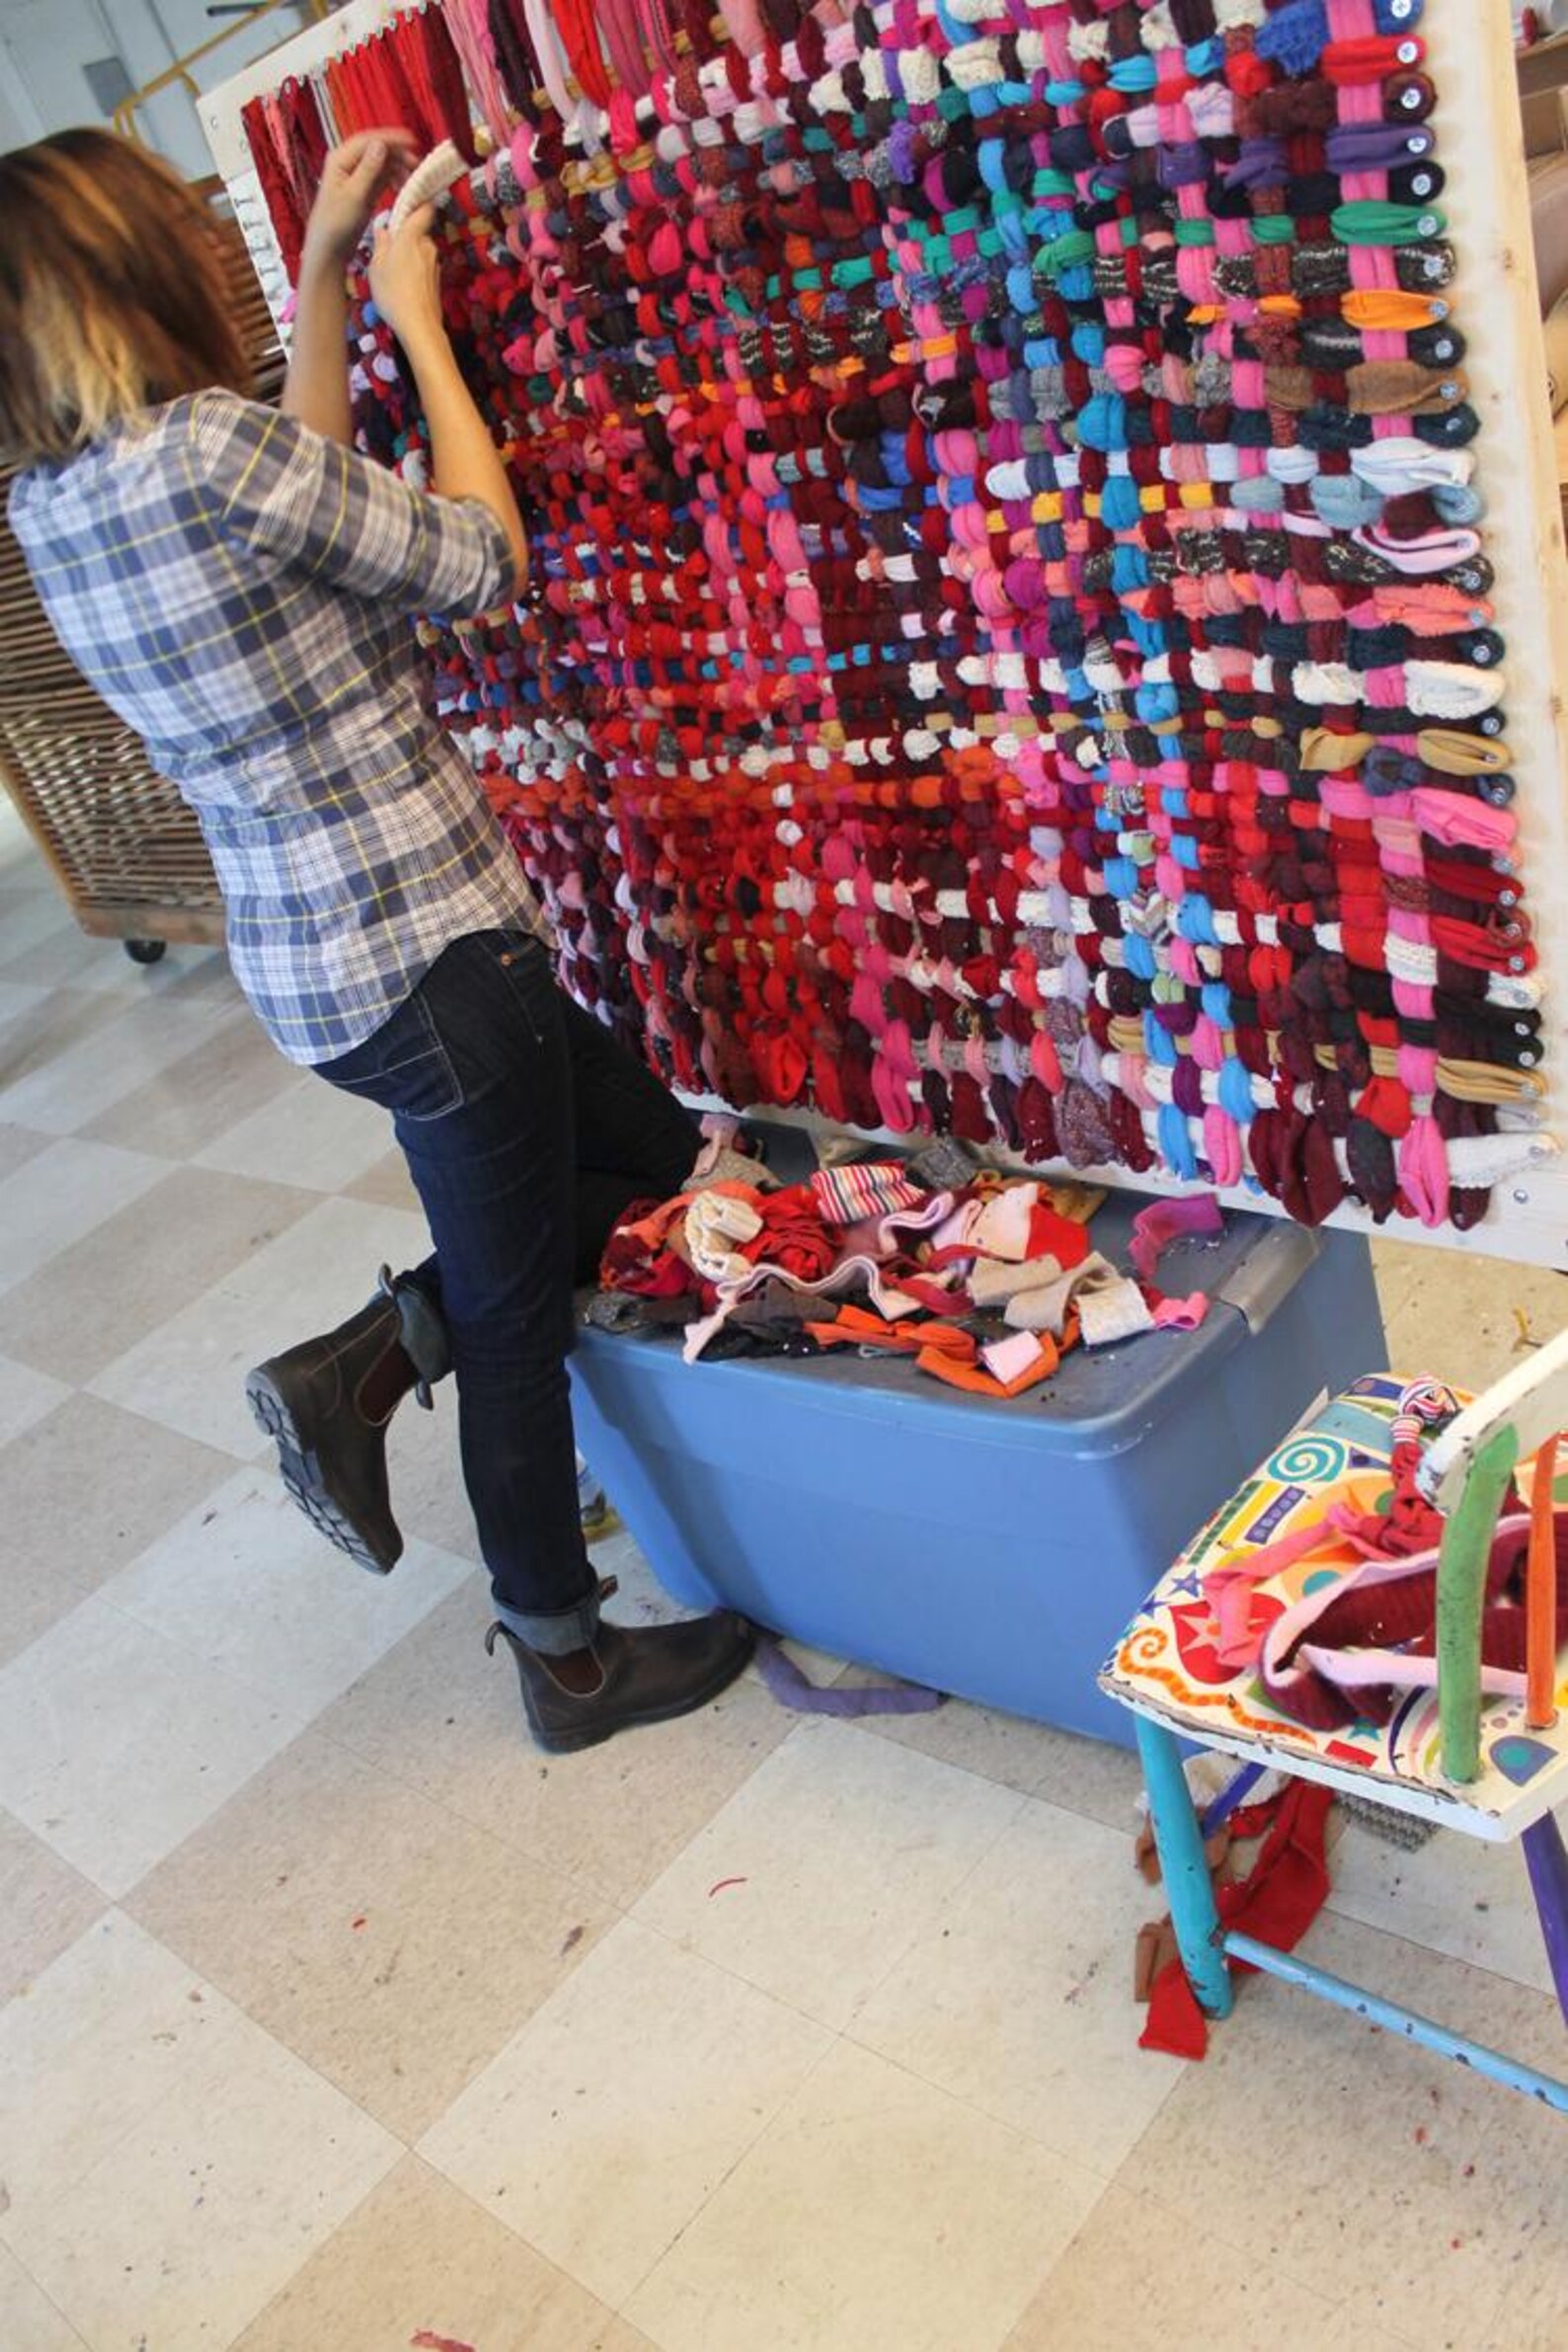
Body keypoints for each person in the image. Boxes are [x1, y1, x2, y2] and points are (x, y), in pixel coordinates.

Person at [0, 126, 752, 1751]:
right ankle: (562, 1654)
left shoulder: (63, 500)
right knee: (517, 1319)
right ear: (134, 265)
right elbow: (479, 567)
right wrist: (415, 314)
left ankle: (365, 1355)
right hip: (433, 951)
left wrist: (332, 269)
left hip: (322, 972)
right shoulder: (205, 449)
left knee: (662, 1156)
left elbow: (301, 508)